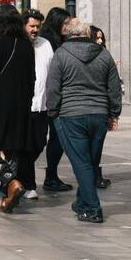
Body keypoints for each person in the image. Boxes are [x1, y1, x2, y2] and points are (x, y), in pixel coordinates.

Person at [46, 16, 123, 223]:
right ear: (87, 33)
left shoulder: (61, 55)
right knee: (91, 160)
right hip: (99, 114)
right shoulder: (104, 55)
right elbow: (114, 87)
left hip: (70, 114)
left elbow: (53, 86)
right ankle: (82, 201)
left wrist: (52, 111)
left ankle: (91, 207)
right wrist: (114, 113)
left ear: (68, 34)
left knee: (81, 162)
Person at [0, 5, 37, 213]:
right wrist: (27, 103)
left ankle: (11, 183)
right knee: (12, 150)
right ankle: (6, 197)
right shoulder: (26, 45)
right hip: (21, 105)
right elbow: (32, 79)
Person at [19, 9, 55, 201]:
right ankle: (28, 185)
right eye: (31, 26)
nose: (35, 30)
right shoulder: (17, 44)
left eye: (37, 26)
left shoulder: (46, 45)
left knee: (39, 144)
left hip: (42, 106)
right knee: (25, 147)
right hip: (22, 107)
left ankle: (16, 175)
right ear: (24, 25)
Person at [38, 7, 74, 192]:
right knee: (49, 139)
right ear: (57, 22)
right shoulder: (47, 42)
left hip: (52, 96)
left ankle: (51, 175)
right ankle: (49, 176)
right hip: (47, 97)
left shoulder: (58, 40)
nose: (67, 26)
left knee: (56, 138)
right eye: (65, 23)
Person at [88, 25, 113, 189]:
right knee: (92, 147)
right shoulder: (101, 57)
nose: (100, 41)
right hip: (93, 109)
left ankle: (95, 175)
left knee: (95, 146)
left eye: (102, 38)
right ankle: (93, 177)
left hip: (100, 109)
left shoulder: (105, 56)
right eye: (96, 38)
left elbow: (113, 86)